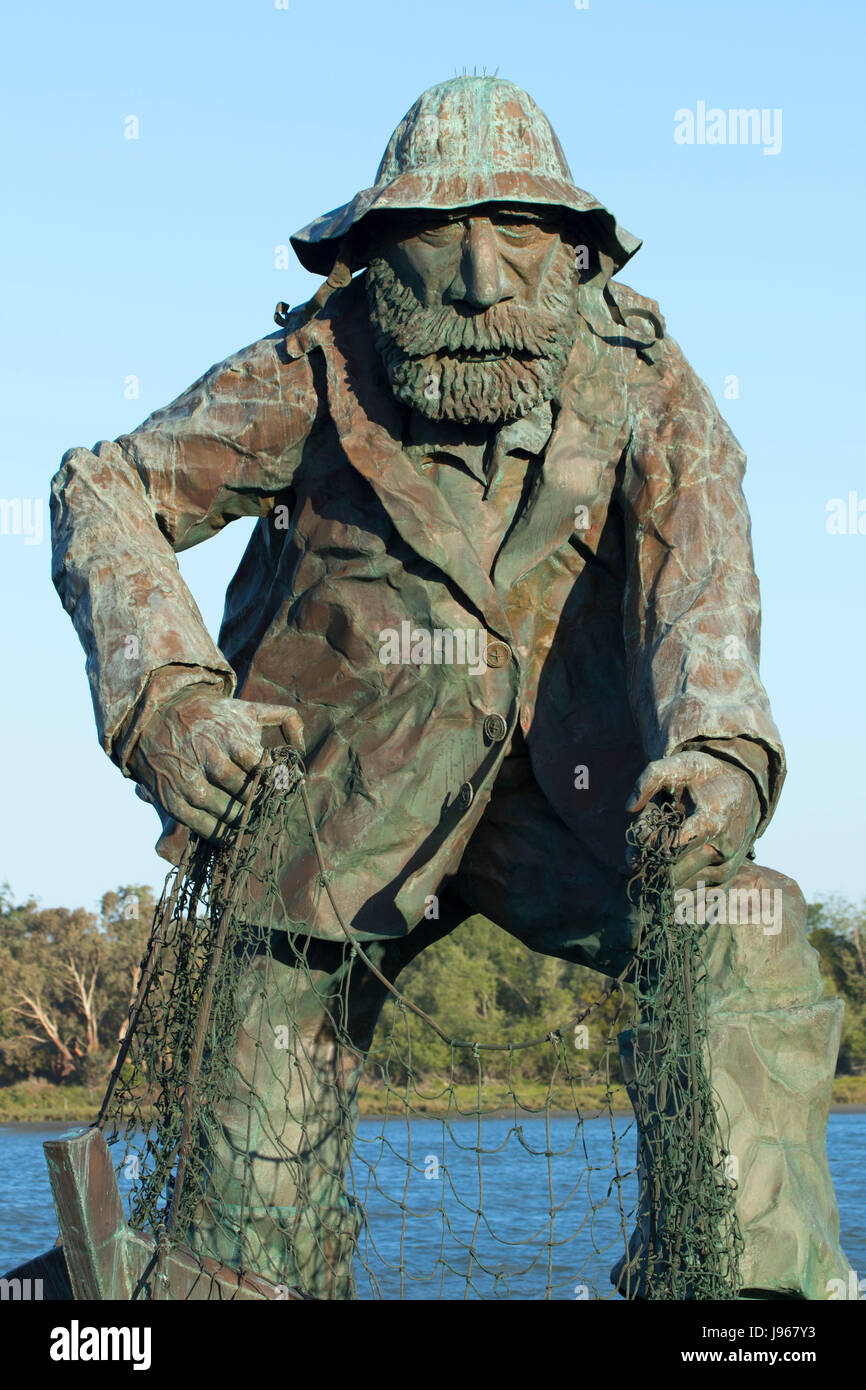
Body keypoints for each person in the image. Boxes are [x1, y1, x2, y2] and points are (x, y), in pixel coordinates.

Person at [51, 74, 850, 1299]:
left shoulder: (647, 385)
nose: (480, 275)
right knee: (245, 1235)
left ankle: (746, 1305)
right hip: (328, 825)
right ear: (374, 256)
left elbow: (702, 583)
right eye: (438, 234)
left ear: (573, 253)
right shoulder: (313, 370)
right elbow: (106, 489)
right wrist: (167, 703)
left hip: (576, 809)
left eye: (517, 231)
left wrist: (717, 754)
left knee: (746, 926)